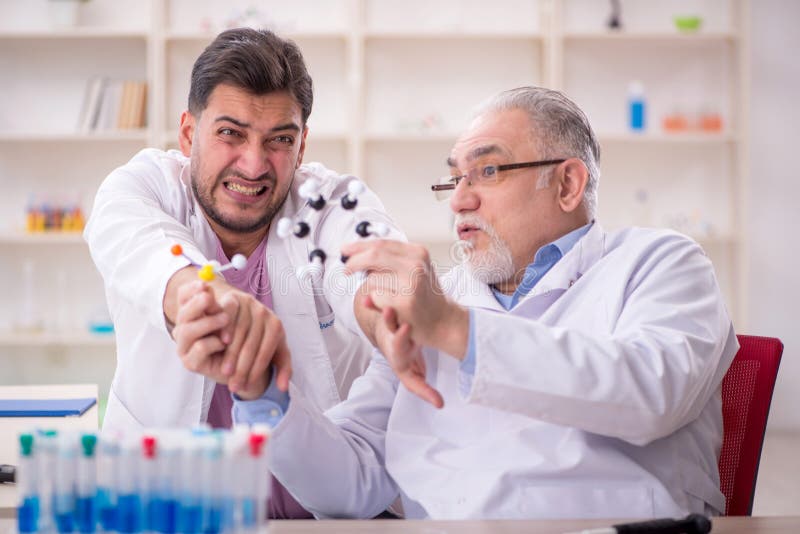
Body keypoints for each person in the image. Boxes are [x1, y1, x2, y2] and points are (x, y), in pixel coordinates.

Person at [174, 86, 738, 519]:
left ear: (568, 185)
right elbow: (353, 481)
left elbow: (649, 392)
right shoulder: (439, 305)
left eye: (487, 172)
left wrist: (453, 329)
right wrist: (264, 395)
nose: (460, 200)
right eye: (453, 180)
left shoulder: (659, 264)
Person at [84, 28, 402, 517]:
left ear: (301, 146)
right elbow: (137, 243)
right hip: (166, 513)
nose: (254, 165)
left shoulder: (331, 202)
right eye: (230, 133)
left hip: (319, 521)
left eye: (279, 139)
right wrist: (201, 298)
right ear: (189, 133)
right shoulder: (143, 186)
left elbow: (369, 265)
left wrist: (388, 312)